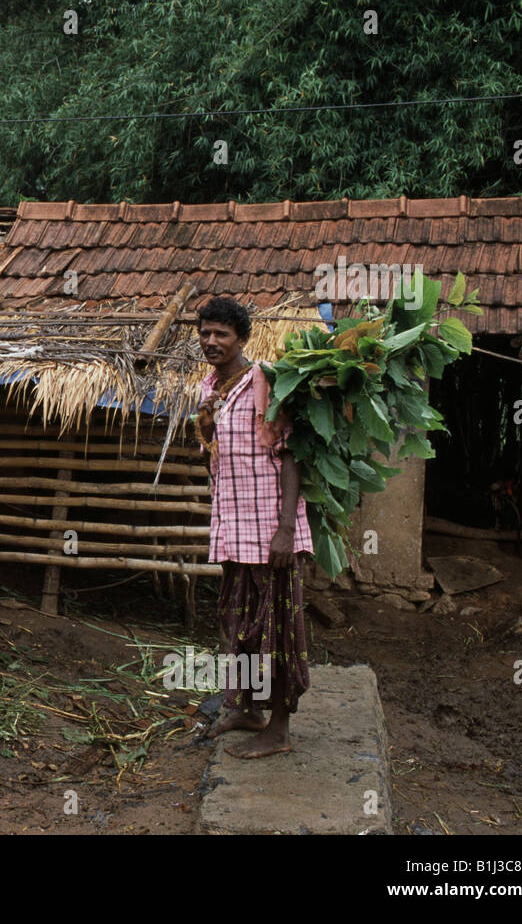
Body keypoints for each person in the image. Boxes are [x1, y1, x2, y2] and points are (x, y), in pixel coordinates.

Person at [196, 296, 312, 758]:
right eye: (205, 333)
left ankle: (279, 731)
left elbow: (289, 455)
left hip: (270, 535)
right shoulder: (211, 389)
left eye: (221, 334)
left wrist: (286, 529)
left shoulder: (265, 383)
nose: (211, 341)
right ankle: (247, 709)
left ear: (242, 339)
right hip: (233, 532)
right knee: (240, 625)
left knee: (279, 632)